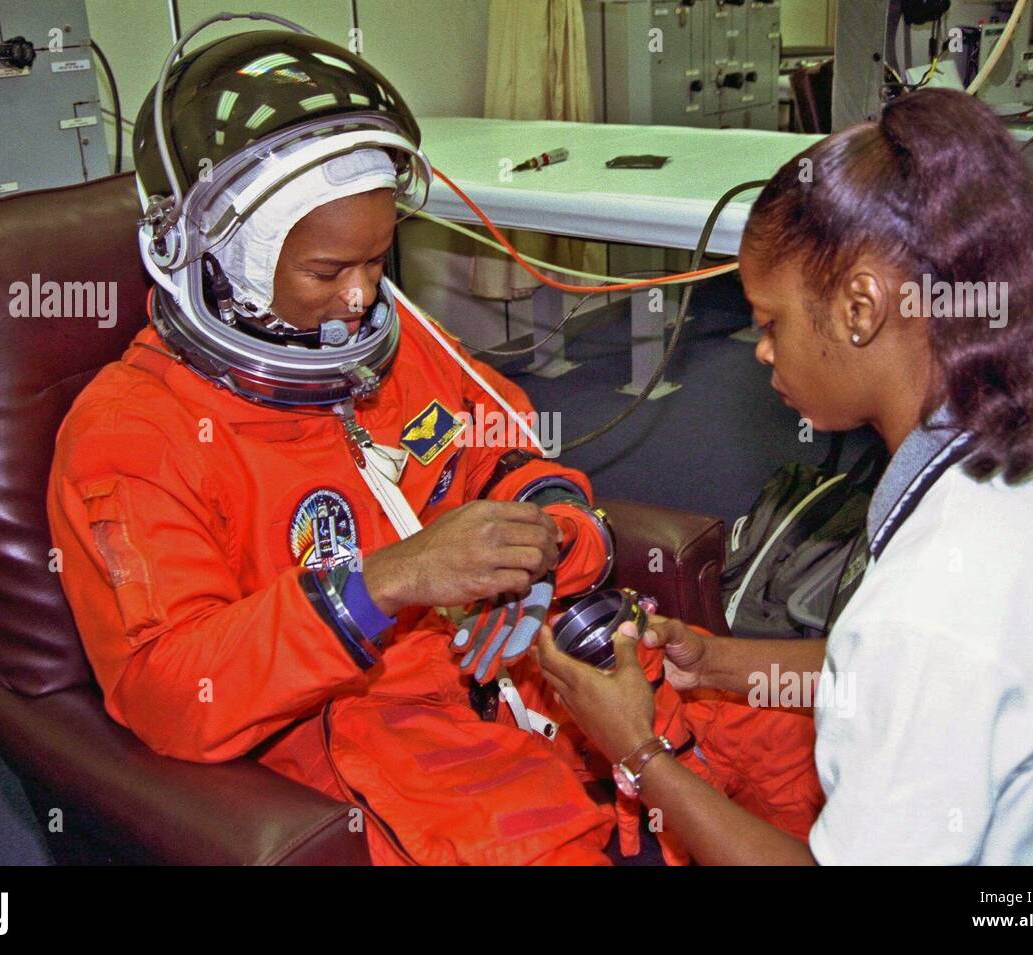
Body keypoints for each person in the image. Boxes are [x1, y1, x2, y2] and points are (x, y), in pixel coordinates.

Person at [47, 22, 620, 865]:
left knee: (771, 739)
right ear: (213, 258)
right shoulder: (133, 436)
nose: (360, 297)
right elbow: (172, 688)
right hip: (372, 740)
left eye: (378, 258)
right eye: (325, 271)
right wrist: (387, 580)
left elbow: (511, 455)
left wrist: (549, 546)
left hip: (517, 676)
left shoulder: (399, 342)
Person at [536, 87, 1033, 865]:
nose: (761, 351)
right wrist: (724, 659)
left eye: (771, 323)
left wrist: (638, 749)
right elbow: (904, 673)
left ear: (861, 305)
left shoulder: (934, 600)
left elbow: (915, 651)